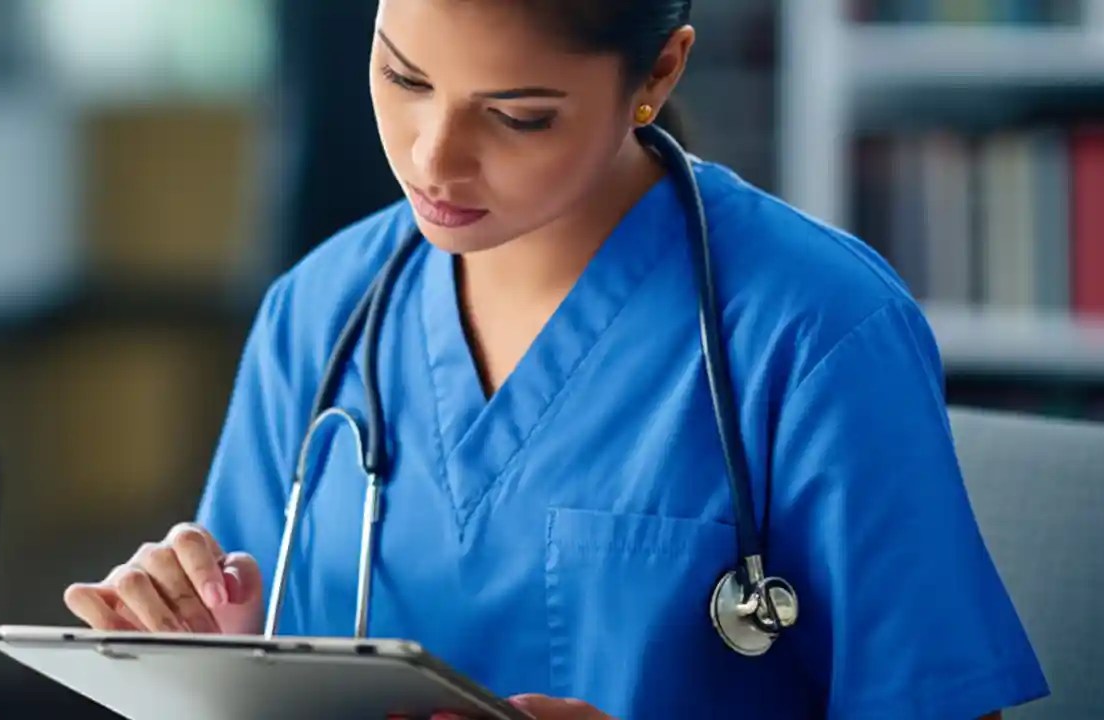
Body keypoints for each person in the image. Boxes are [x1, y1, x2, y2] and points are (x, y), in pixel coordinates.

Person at [62, 0, 1051, 717]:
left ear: (656, 76)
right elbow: (256, 651)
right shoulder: (318, 314)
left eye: (516, 114)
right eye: (403, 75)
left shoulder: (816, 331)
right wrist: (204, 651)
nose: (429, 159)